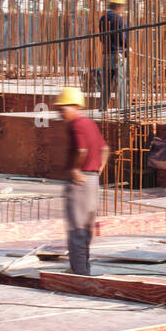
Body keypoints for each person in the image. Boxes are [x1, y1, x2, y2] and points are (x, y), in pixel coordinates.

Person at [54, 87, 109, 276]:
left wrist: (76, 170)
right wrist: (97, 171)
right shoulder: (90, 123)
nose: (60, 112)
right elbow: (105, 149)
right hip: (92, 181)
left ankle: (78, 273)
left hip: (80, 182)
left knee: (76, 228)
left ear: (75, 106)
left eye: (63, 108)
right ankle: (83, 268)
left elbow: (82, 151)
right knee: (85, 228)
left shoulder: (76, 124)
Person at [98, 0, 129, 113]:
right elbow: (122, 37)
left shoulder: (102, 18)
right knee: (120, 82)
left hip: (106, 54)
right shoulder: (119, 19)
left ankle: (102, 107)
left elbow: (101, 38)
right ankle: (122, 108)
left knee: (106, 83)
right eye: (122, 6)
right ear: (118, 6)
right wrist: (127, 47)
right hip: (118, 54)